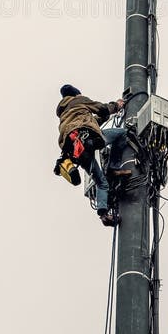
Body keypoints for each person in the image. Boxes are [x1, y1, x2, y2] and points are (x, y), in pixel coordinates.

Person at [55, 84, 129, 227]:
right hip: (88, 140)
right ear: (75, 94)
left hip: (77, 152)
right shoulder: (78, 100)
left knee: (101, 183)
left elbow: (90, 121)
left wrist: (104, 117)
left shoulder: (65, 114)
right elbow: (101, 108)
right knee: (122, 133)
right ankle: (113, 168)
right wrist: (117, 106)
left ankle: (103, 215)